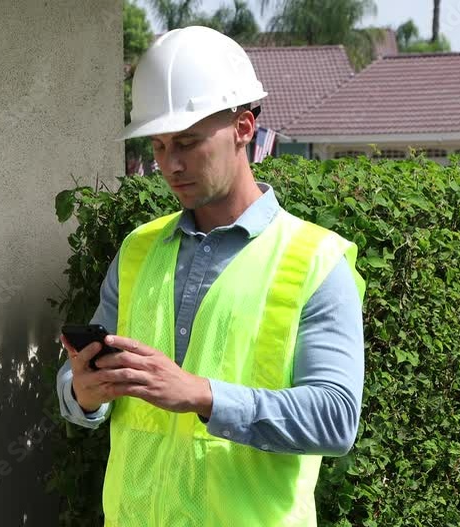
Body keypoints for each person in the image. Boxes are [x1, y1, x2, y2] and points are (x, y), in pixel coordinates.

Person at [55, 26, 365, 526]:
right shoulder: (137, 251)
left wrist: (202, 394)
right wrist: (83, 394)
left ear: (244, 128)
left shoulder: (315, 261)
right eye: (157, 146)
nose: (170, 165)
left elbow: (335, 418)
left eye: (188, 142)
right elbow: (75, 384)